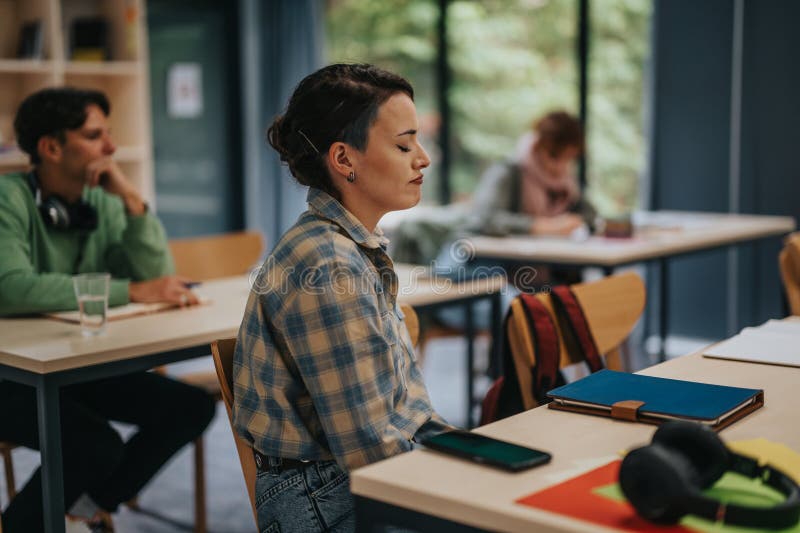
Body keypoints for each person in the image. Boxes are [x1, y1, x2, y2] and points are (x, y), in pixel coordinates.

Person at [233, 63, 451, 532]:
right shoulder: (328, 265)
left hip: (349, 474)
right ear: (344, 160)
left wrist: (464, 454)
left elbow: (399, 417)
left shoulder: (348, 247)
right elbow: (369, 448)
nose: (423, 158)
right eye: (403, 144)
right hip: (325, 494)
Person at [0, 87, 216, 532]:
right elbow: (11, 288)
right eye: (95, 136)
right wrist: (130, 291)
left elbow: (157, 274)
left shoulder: (100, 200)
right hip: (11, 376)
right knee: (93, 445)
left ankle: (79, 513)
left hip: (71, 366)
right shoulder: (8, 198)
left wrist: (134, 205)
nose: (111, 148)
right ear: (51, 147)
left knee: (190, 408)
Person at [467, 110, 596, 237]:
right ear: (537, 146)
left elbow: (591, 216)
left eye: (569, 158)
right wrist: (540, 226)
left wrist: (576, 222)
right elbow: (485, 218)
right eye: (554, 156)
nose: (560, 166)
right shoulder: (508, 172)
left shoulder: (566, 186)